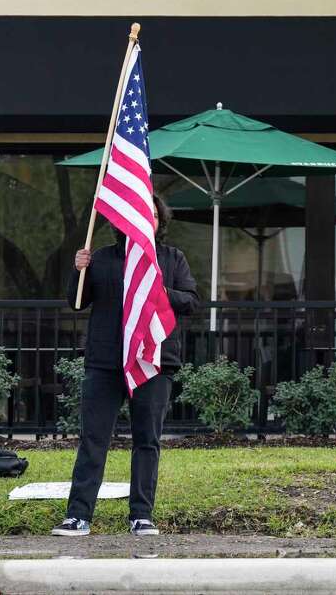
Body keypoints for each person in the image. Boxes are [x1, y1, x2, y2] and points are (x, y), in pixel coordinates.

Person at [51, 194, 198, 537]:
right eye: (139, 213)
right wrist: (78, 270)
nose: (147, 219)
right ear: (123, 219)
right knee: (93, 439)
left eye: (153, 215)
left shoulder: (172, 258)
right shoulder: (102, 258)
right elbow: (77, 302)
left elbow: (191, 301)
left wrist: (159, 290)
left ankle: (141, 516)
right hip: (105, 363)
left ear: (160, 221)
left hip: (153, 362)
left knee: (147, 440)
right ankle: (78, 516)